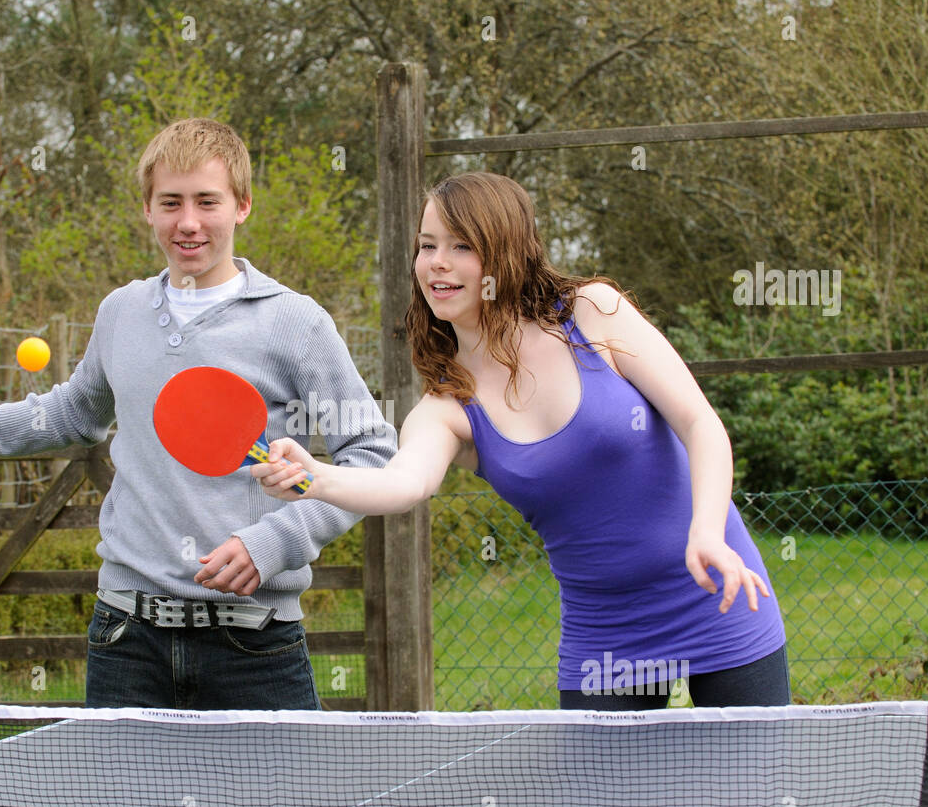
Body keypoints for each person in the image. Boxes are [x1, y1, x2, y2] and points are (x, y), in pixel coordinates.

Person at [0, 118, 396, 710]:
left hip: (254, 642)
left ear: (242, 206)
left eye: (207, 201)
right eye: (171, 202)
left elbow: (372, 458)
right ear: (148, 209)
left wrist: (277, 540)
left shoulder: (296, 323)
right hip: (125, 638)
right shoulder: (121, 312)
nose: (188, 222)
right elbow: (68, 415)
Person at [253, 171, 790, 710]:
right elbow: (402, 484)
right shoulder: (446, 407)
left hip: (720, 598)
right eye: (427, 246)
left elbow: (702, 425)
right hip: (603, 641)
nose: (437, 261)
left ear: (505, 252)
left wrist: (707, 534)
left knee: (752, 793)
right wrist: (315, 477)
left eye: (461, 245)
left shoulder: (593, 313)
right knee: (604, 799)